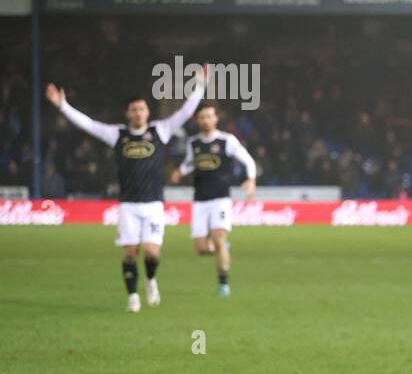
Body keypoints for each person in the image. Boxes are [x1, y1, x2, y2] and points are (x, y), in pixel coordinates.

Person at [45, 66, 209, 312]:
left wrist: (200, 85)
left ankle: (150, 280)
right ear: (127, 113)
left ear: (147, 111)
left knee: (152, 254)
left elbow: (186, 111)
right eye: (134, 110)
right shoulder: (117, 135)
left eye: (142, 109)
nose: (138, 113)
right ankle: (133, 296)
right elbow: (89, 124)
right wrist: (63, 106)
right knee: (130, 253)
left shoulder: (159, 131)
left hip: (153, 203)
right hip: (129, 204)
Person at [169, 102, 257, 296]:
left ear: (216, 118)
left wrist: (250, 180)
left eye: (209, 116)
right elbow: (190, 163)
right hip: (200, 199)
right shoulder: (194, 143)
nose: (206, 120)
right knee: (201, 249)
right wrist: (179, 172)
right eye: (202, 117)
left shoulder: (227, 141)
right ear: (197, 120)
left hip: (220, 199)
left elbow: (248, 160)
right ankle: (221, 247)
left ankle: (223, 284)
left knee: (217, 238)